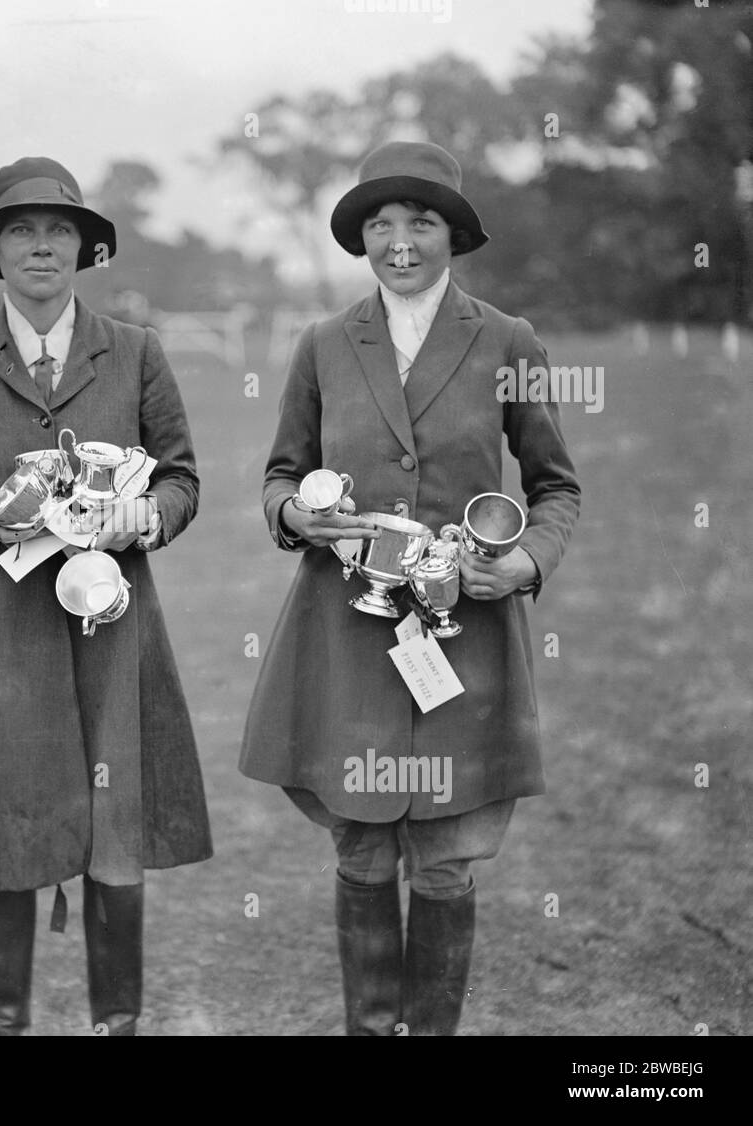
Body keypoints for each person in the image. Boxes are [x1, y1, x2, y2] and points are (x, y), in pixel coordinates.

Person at [239, 141, 580, 1036]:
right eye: (381, 223)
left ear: (452, 235)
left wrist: (526, 562)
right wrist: (293, 514)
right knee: (359, 853)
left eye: (420, 221)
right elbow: (282, 474)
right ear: (361, 237)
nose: (400, 241)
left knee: (444, 866)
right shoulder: (322, 344)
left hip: (464, 635)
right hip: (347, 635)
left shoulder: (509, 341)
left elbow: (555, 487)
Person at [0, 157, 212, 1035]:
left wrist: (139, 518)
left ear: (84, 249)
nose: (42, 247)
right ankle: (4, 1022)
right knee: (3, 832)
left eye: (59, 231)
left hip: (113, 620)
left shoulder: (136, 351)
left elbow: (182, 480)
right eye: (22, 232)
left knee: (118, 833)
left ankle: (118, 1023)